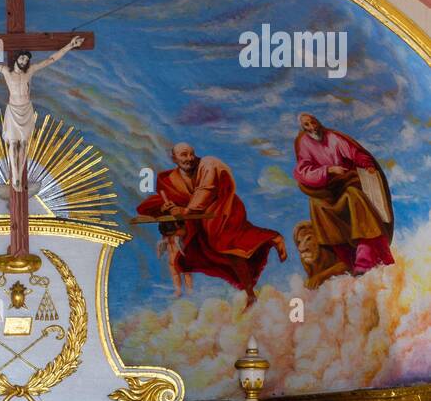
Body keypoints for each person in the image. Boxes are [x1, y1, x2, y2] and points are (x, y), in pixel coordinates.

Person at [135, 142, 286, 306]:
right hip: (201, 221)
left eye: (191, 154)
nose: (189, 158)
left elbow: (206, 190)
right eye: (184, 155)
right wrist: (166, 207)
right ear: (174, 158)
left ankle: (272, 240)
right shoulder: (170, 180)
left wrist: (184, 211)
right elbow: (163, 202)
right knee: (204, 255)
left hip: (223, 210)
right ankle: (250, 295)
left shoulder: (208, 163)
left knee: (230, 247)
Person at [0, 35, 84, 190]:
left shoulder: (30, 71)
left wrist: (70, 45)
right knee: (13, 143)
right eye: (22, 59)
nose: (24, 61)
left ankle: (19, 175)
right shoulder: (6, 71)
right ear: (17, 59)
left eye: (26, 60)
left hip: (26, 109)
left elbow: (51, 59)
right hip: (13, 110)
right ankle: (15, 176)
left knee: (24, 144)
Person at [292, 112, 394, 276]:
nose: (311, 127)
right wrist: (328, 170)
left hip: (347, 183)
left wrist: (366, 164)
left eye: (313, 122)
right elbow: (303, 171)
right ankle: (346, 258)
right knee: (317, 205)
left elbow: (354, 153)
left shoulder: (333, 138)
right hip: (326, 190)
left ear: (318, 121)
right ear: (303, 128)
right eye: (307, 125)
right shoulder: (303, 143)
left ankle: (365, 257)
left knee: (355, 197)